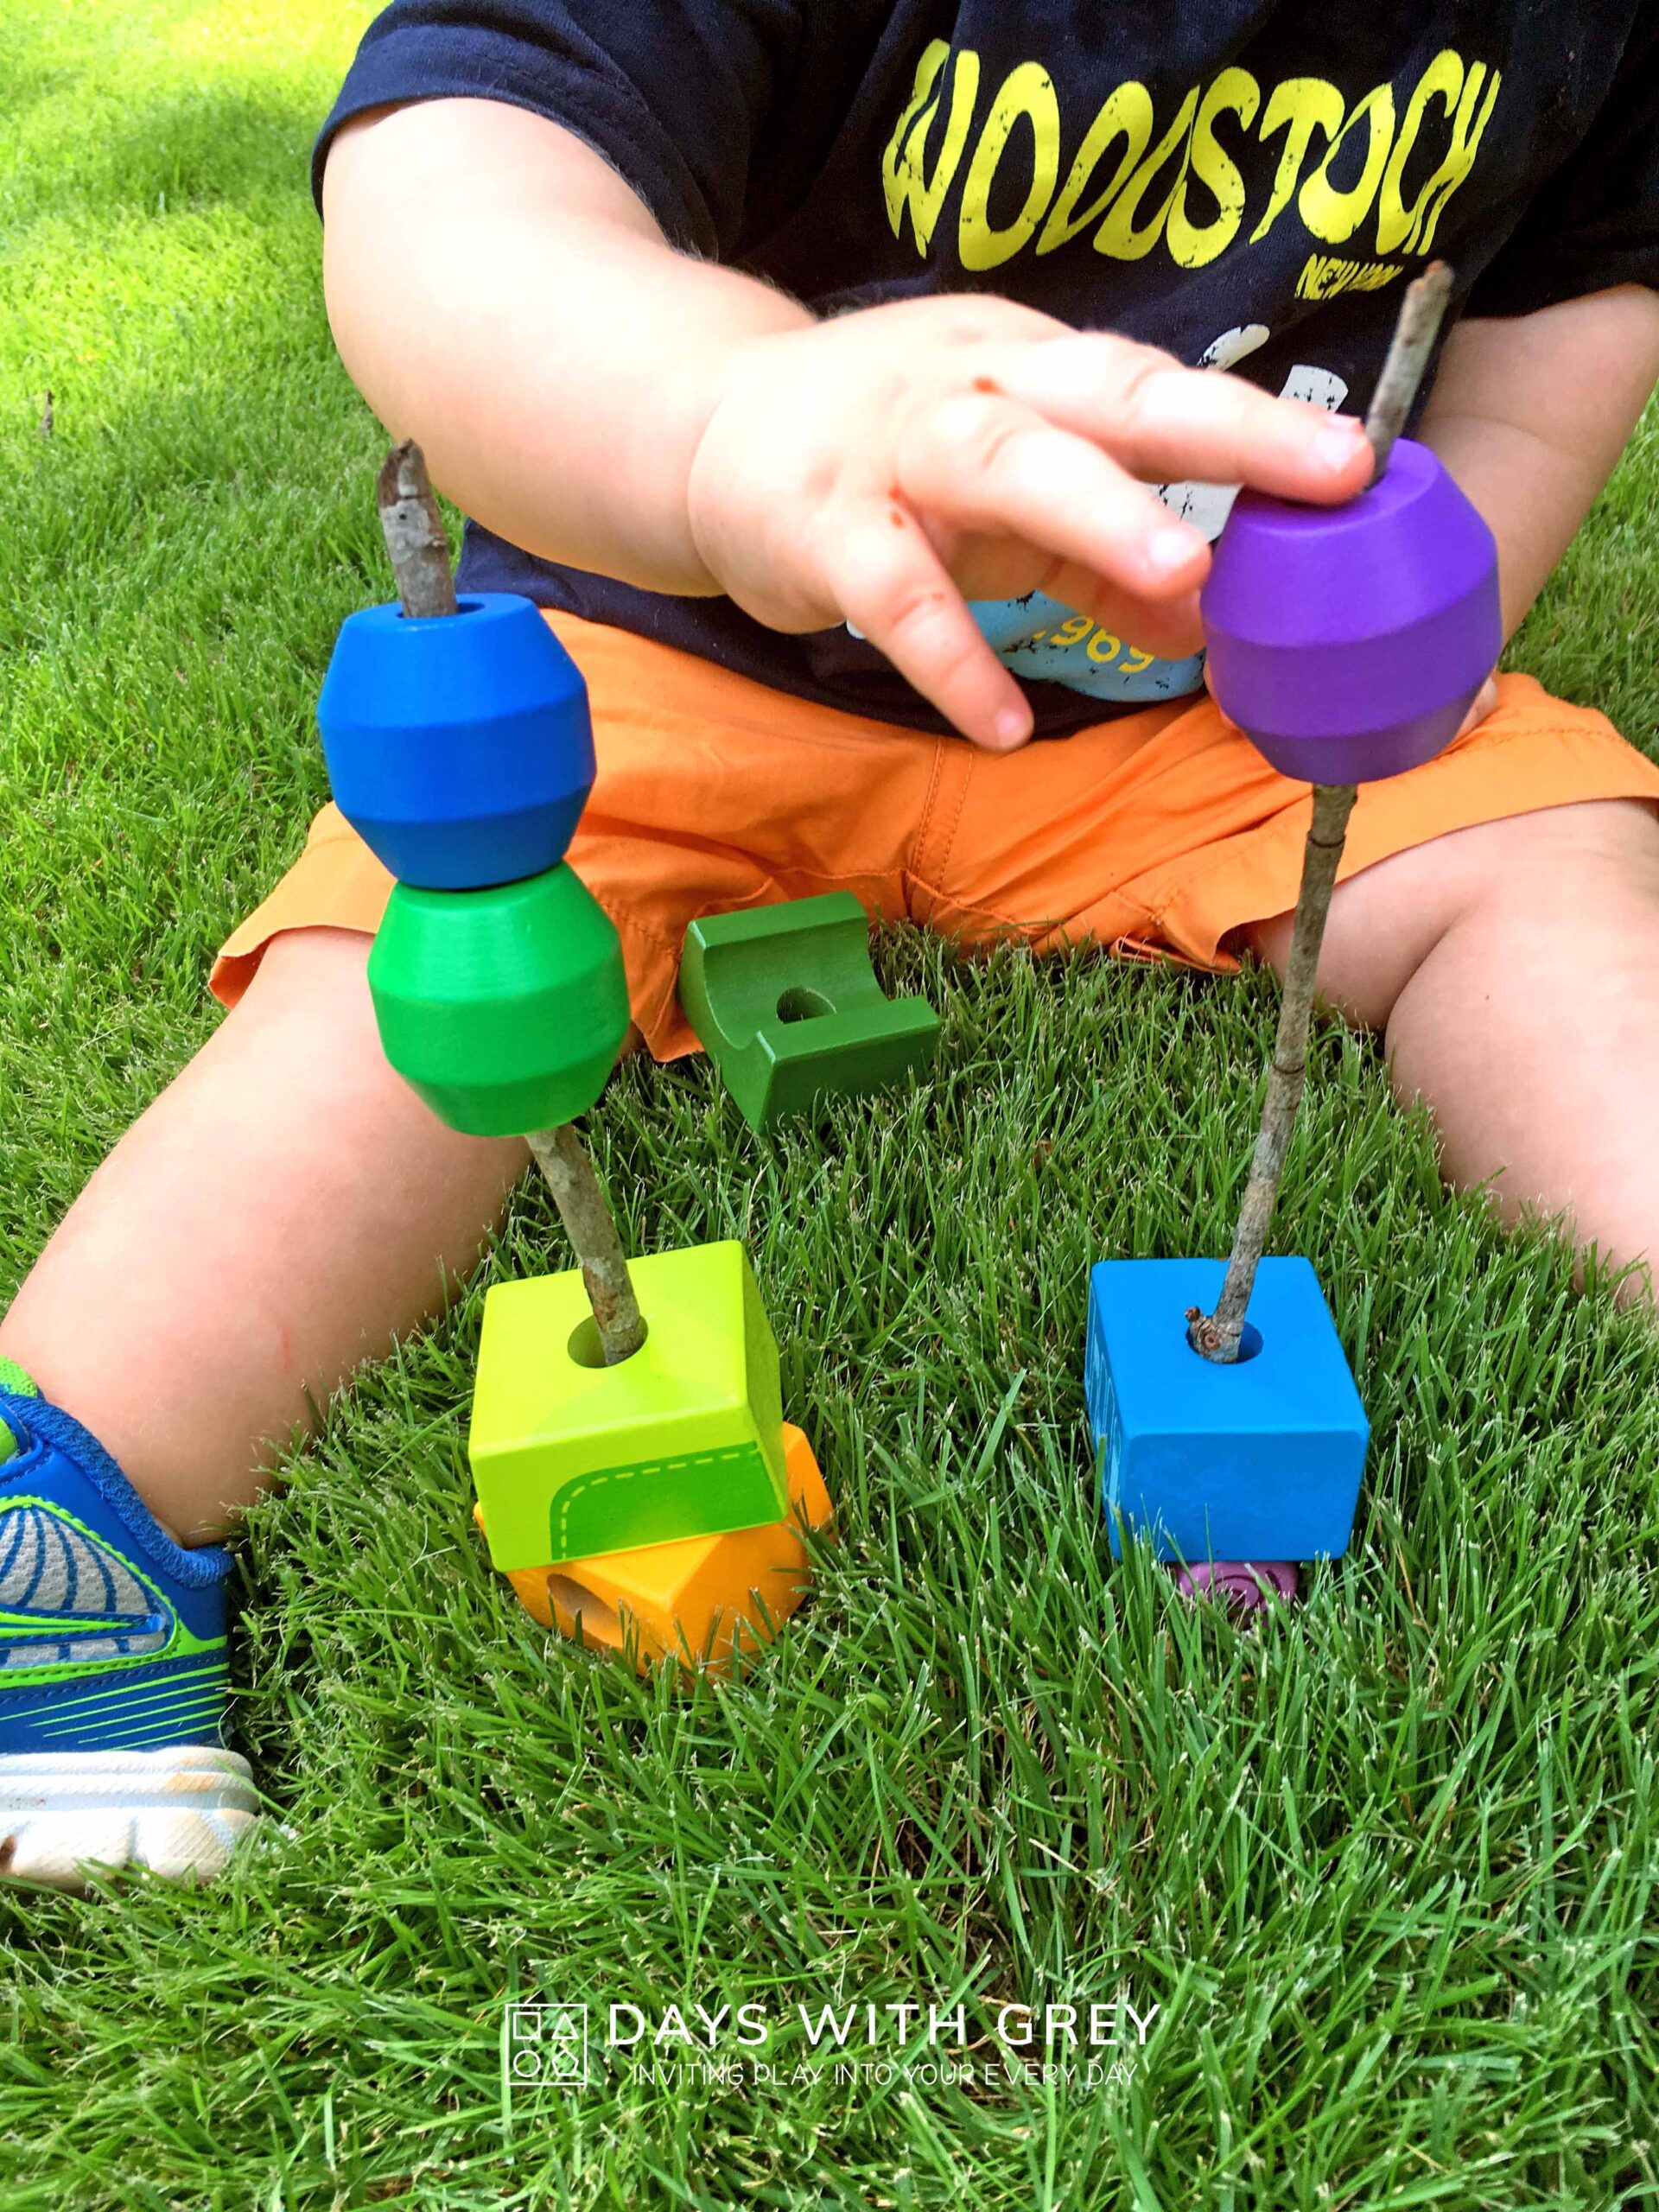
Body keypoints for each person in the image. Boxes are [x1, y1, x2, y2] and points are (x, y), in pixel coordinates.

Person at [5, 3, 1659, 1887]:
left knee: (1547, 869)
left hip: (1213, 716)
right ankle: (82, 1520)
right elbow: (459, 172)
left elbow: (1553, 334)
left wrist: (1404, 630)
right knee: (428, 966)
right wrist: (726, 413)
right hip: (675, 669)